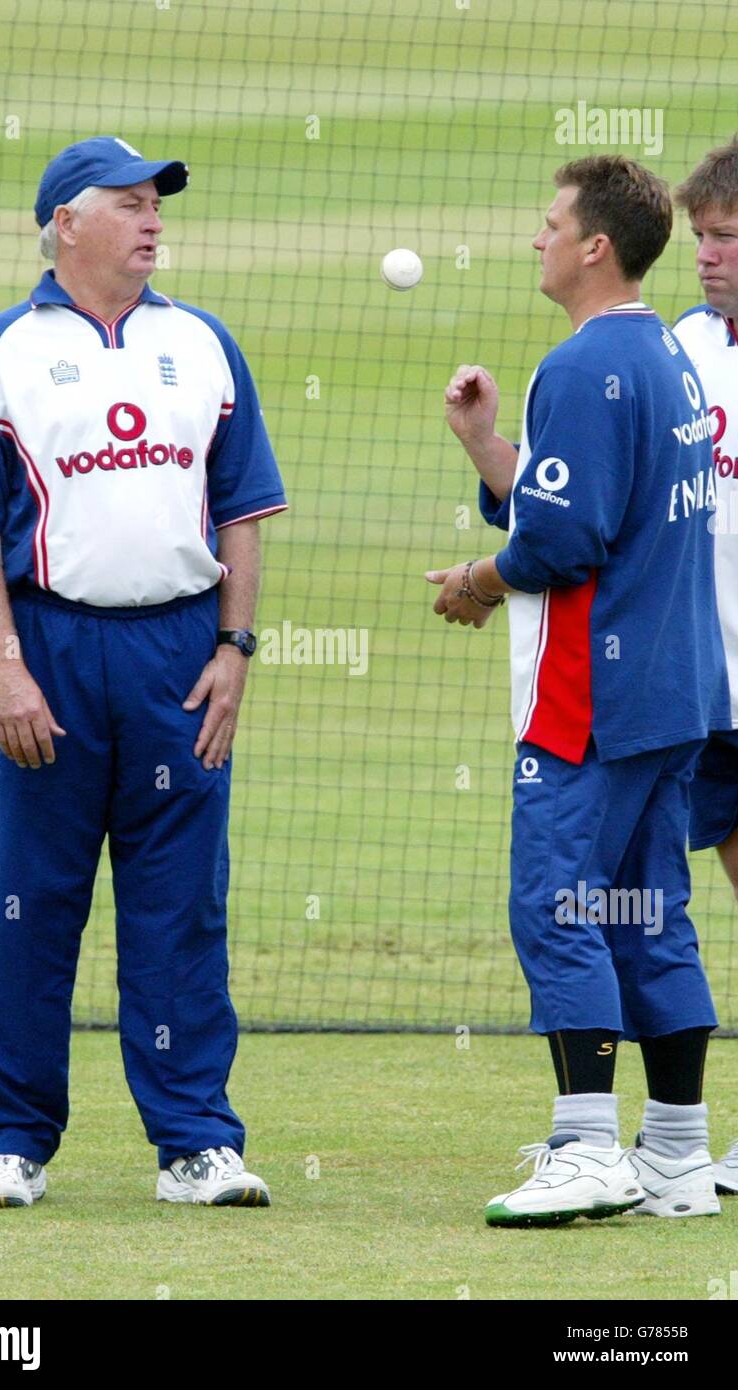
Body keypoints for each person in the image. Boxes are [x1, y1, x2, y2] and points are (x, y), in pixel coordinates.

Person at [0, 136, 287, 1209]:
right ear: (65, 223)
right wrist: (4, 667)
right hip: (51, 651)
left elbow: (244, 506)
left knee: (180, 905)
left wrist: (235, 648)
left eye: (156, 206)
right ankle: (10, 1140)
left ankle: (194, 1141)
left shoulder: (204, 343)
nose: (153, 222)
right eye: (129, 205)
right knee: (26, 905)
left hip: (179, 654)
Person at [427, 156, 730, 1226]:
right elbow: (592, 503)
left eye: (549, 221)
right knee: (647, 914)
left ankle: (588, 1144)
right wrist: (484, 443)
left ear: (594, 244)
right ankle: (679, 1156)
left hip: (588, 702)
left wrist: (471, 583)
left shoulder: (583, 363)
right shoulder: (665, 354)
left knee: (558, 907)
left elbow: (560, 541)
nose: (537, 237)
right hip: (676, 694)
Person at [670, 135, 738, 1197]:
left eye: (725, 241)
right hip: (704, 681)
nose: (707, 258)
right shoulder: (683, 345)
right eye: (701, 241)